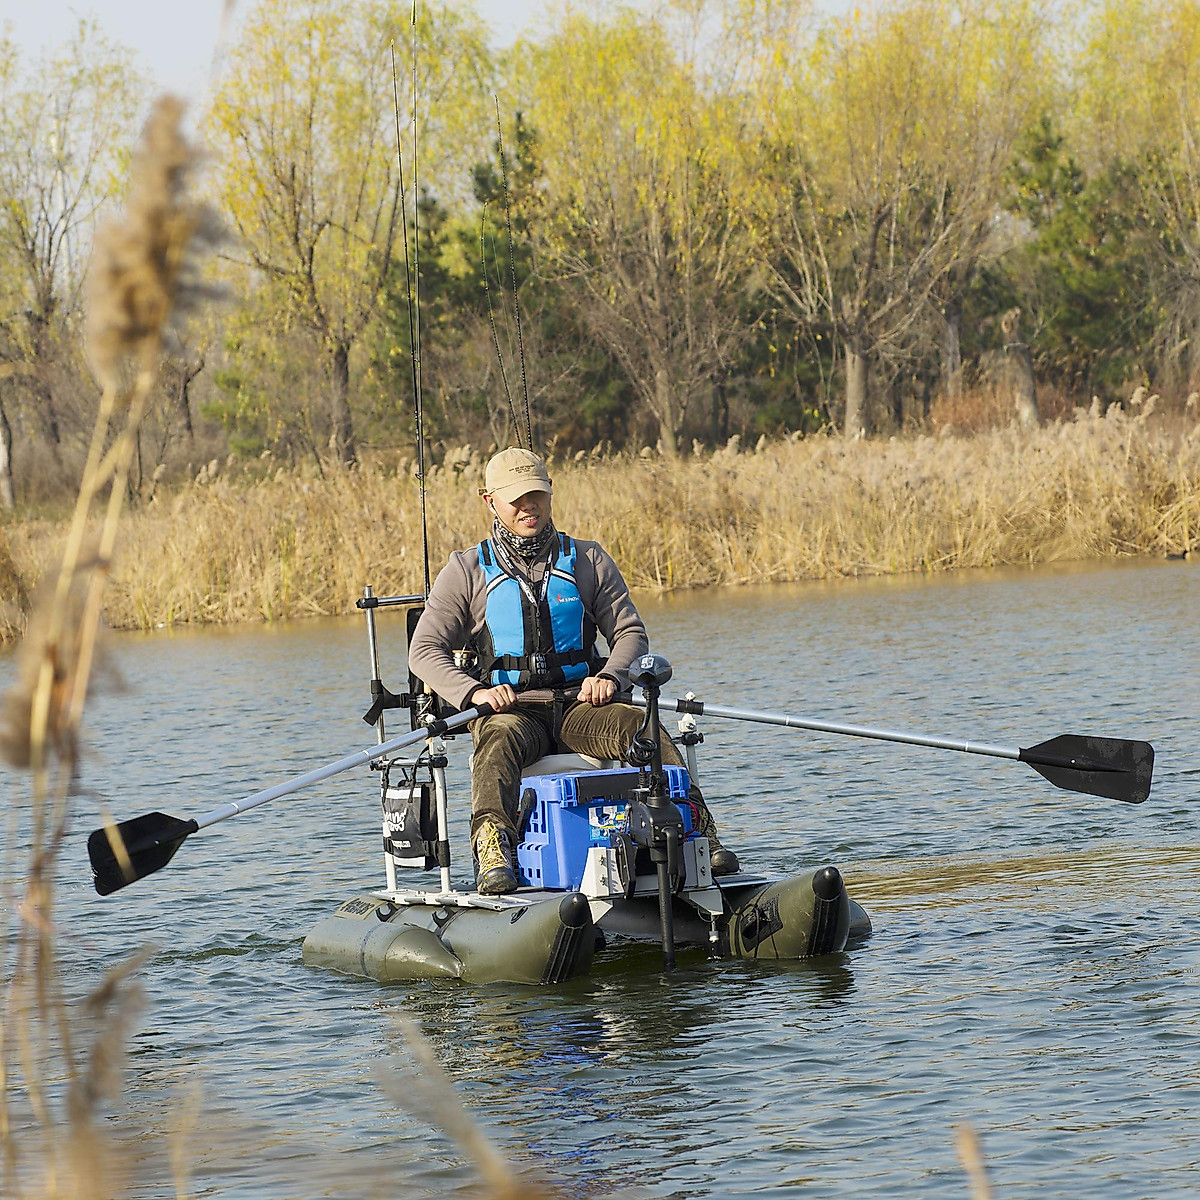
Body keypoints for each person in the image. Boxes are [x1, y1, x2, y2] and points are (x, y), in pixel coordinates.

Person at [407, 446, 739, 894]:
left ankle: (697, 830)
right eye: (516, 499)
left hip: (581, 707)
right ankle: (494, 850)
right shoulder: (465, 570)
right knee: (497, 740)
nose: (529, 507)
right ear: (490, 501)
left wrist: (611, 676)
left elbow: (630, 634)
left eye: (537, 495)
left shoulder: (588, 559)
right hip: (512, 712)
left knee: (641, 725)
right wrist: (473, 693)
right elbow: (424, 651)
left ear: (550, 492)